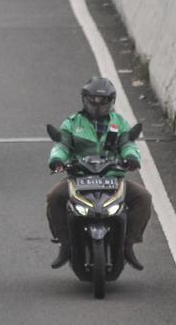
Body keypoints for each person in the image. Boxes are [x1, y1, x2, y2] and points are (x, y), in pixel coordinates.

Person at [46, 77, 153, 271]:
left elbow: (128, 144)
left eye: (102, 100)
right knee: (54, 197)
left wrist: (131, 158)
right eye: (93, 99)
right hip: (79, 178)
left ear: (111, 101)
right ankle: (65, 244)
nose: (97, 104)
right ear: (85, 99)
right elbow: (61, 145)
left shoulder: (119, 123)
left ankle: (128, 244)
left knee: (143, 197)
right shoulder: (72, 123)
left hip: (112, 178)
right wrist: (57, 161)